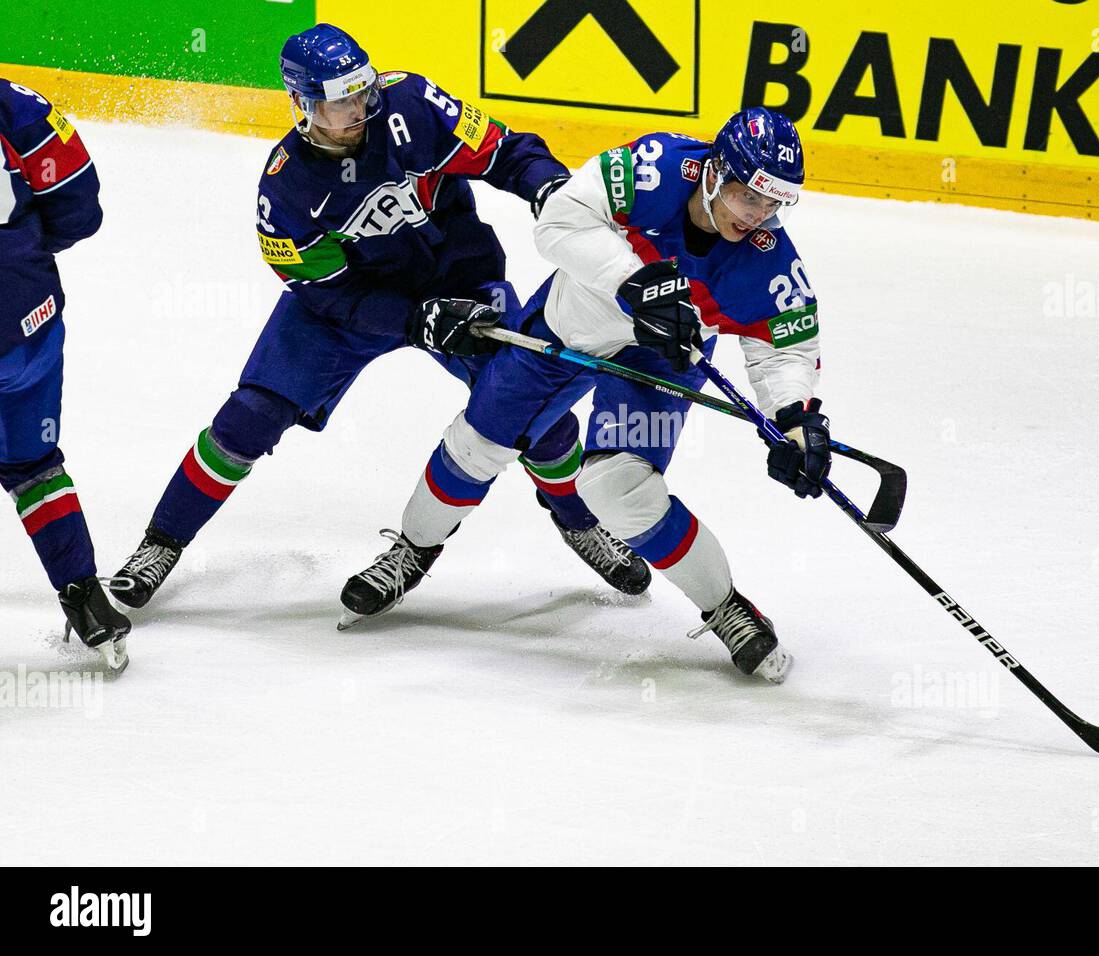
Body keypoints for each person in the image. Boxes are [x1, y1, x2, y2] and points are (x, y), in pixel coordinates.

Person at [109, 24, 649, 625]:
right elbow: (321, 289)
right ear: (300, 106)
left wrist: (549, 188)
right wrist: (413, 319)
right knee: (250, 417)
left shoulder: (413, 107)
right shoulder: (284, 189)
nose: (356, 112)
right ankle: (161, 542)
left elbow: (505, 151)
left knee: (530, 409)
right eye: (337, 103)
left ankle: (581, 525)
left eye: (361, 93)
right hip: (349, 304)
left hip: (458, 281)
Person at [344, 108, 831, 682]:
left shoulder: (767, 258)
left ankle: (727, 606)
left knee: (617, 487)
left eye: (773, 204)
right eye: (750, 197)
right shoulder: (654, 169)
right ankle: (414, 548)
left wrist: (795, 418)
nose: (758, 216)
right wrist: (632, 280)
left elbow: (784, 347)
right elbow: (558, 219)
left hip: (660, 358)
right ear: (715, 170)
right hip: (570, 323)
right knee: (477, 445)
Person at [1, 78, 129, 672]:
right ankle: (84, 595)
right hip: (27, 321)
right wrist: (21, 251)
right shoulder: (19, 106)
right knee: (33, 467)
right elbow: (80, 209)